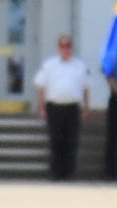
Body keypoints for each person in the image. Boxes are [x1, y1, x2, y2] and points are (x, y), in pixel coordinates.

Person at [32, 32, 91, 181]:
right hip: (54, 107)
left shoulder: (80, 66)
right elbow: (40, 87)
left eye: (68, 45)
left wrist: (86, 107)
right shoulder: (49, 65)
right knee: (56, 141)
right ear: (58, 48)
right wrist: (41, 107)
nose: (65, 48)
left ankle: (69, 174)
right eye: (62, 46)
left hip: (73, 108)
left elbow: (86, 88)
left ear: (72, 47)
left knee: (71, 141)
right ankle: (56, 173)